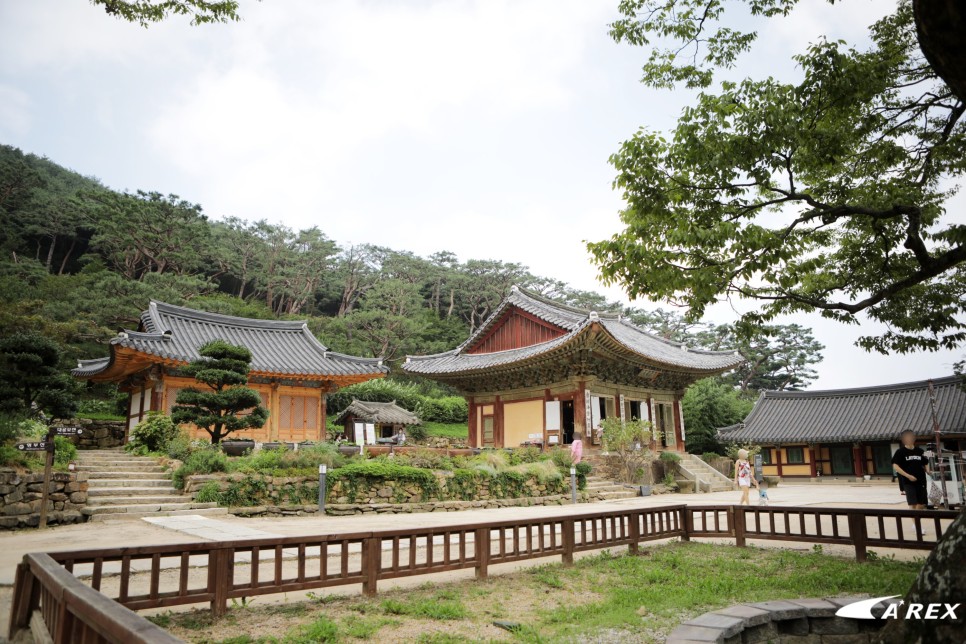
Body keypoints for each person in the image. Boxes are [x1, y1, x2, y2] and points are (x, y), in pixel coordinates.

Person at [891, 430, 930, 509]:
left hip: (921, 481)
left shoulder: (920, 451)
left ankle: (917, 520)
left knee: (921, 504)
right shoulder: (900, 452)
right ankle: (915, 521)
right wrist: (908, 476)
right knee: (912, 504)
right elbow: (895, 466)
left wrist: (928, 470)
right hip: (908, 482)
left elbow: (926, 462)